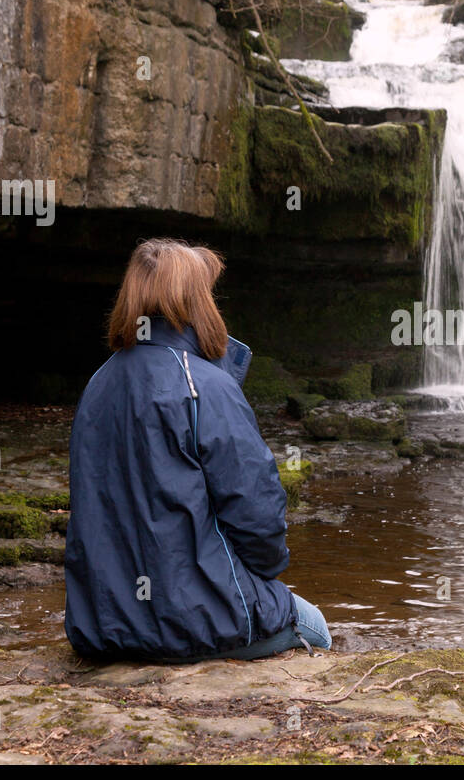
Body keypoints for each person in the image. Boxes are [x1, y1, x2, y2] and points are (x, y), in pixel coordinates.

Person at [64, 238, 330, 662]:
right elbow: (258, 518)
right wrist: (258, 582)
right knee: (317, 627)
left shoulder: (98, 383)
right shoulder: (203, 385)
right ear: (193, 301)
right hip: (192, 627)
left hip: (102, 628)